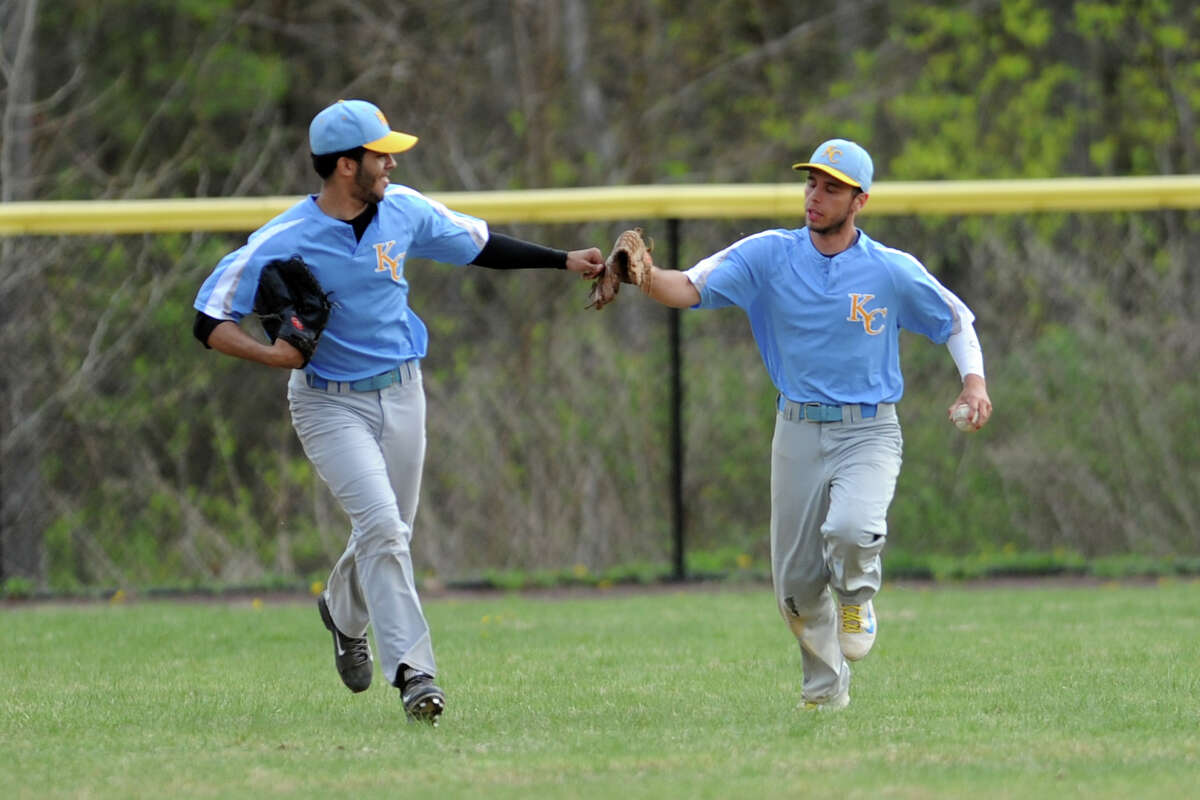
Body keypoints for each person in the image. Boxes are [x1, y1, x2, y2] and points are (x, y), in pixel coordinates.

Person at [192, 99, 604, 725]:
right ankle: (416, 674)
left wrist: (563, 261)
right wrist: (272, 357)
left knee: (388, 534)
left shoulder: (404, 209)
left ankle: (342, 609)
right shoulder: (284, 238)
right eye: (379, 154)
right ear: (343, 165)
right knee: (383, 528)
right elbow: (207, 320)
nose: (390, 162)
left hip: (404, 394)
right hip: (330, 405)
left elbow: (479, 243)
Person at [634, 139, 991, 710]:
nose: (815, 196)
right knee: (795, 592)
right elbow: (689, 287)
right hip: (796, 431)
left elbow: (954, 319)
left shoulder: (889, 270)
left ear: (860, 201)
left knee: (851, 530)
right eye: (811, 184)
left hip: (868, 430)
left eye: (832, 187)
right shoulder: (769, 255)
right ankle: (824, 698)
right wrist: (641, 275)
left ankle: (856, 595)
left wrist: (973, 381)